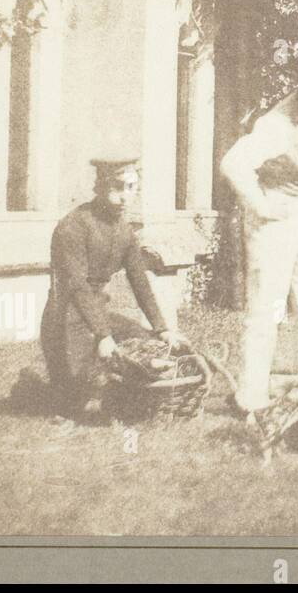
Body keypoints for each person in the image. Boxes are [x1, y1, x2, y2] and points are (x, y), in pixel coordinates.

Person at [220, 54, 298, 414]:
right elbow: (233, 164)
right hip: (272, 218)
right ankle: (252, 397)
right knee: (267, 308)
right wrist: (261, 205)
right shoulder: (276, 123)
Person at [41, 158, 184, 418]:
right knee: (80, 400)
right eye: (118, 187)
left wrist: (162, 329)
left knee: (146, 344)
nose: (125, 197)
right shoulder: (73, 226)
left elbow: (139, 281)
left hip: (98, 314)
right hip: (65, 319)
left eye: (132, 188)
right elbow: (77, 287)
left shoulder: (124, 232)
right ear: (100, 186)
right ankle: (60, 386)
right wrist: (103, 335)